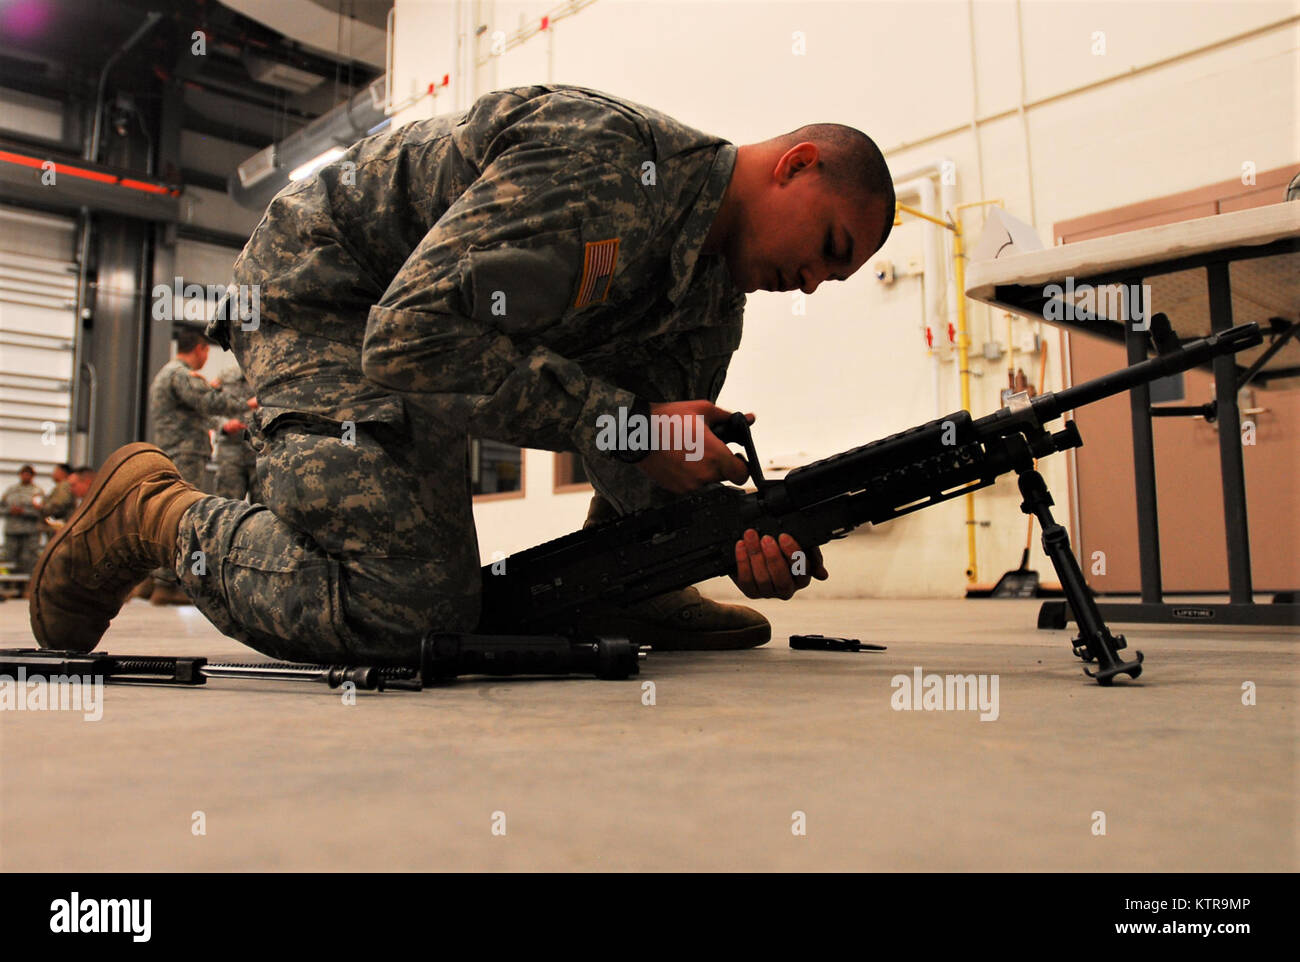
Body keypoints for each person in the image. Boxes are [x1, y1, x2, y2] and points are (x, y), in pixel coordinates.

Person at [31, 84, 893, 665]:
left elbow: (648, 468)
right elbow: (410, 340)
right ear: (796, 165)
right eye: (827, 248)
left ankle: (631, 602)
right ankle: (153, 515)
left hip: (417, 338)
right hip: (332, 296)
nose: (812, 282)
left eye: (833, 278)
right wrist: (631, 426)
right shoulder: (607, 169)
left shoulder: (714, 297)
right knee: (408, 615)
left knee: (482, 607)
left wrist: (718, 543)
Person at [139, 329, 256, 605]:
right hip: (186, 454)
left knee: (167, 515)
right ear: (201, 349)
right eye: (207, 352)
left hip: (176, 451)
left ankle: (153, 581)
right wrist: (247, 403)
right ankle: (168, 584)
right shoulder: (181, 375)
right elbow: (208, 401)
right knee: (181, 517)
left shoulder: (166, 373)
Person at [211, 362, 259, 504]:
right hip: (230, 453)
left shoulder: (265, 377)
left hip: (259, 451)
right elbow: (209, 408)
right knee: (226, 507)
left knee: (265, 511)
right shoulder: (225, 377)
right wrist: (223, 425)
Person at [2, 465, 45, 575]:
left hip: (29, 533)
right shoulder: (11, 490)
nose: (26, 476)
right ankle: (8, 587)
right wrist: (10, 510)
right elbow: (2, 507)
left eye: (28, 474)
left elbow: (41, 511)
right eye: (24, 473)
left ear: (32, 476)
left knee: (28, 561)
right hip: (12, 531)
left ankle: (27, 587)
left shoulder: (37, 492)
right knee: (9, 559)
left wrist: (24, 512)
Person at [43, 463, 76, 527]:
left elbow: (59, 504)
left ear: (62, 472)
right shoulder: (62, 485)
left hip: (61, 524)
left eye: (55, 471)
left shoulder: (64, 486)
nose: (53, 474)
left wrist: (43, 507)